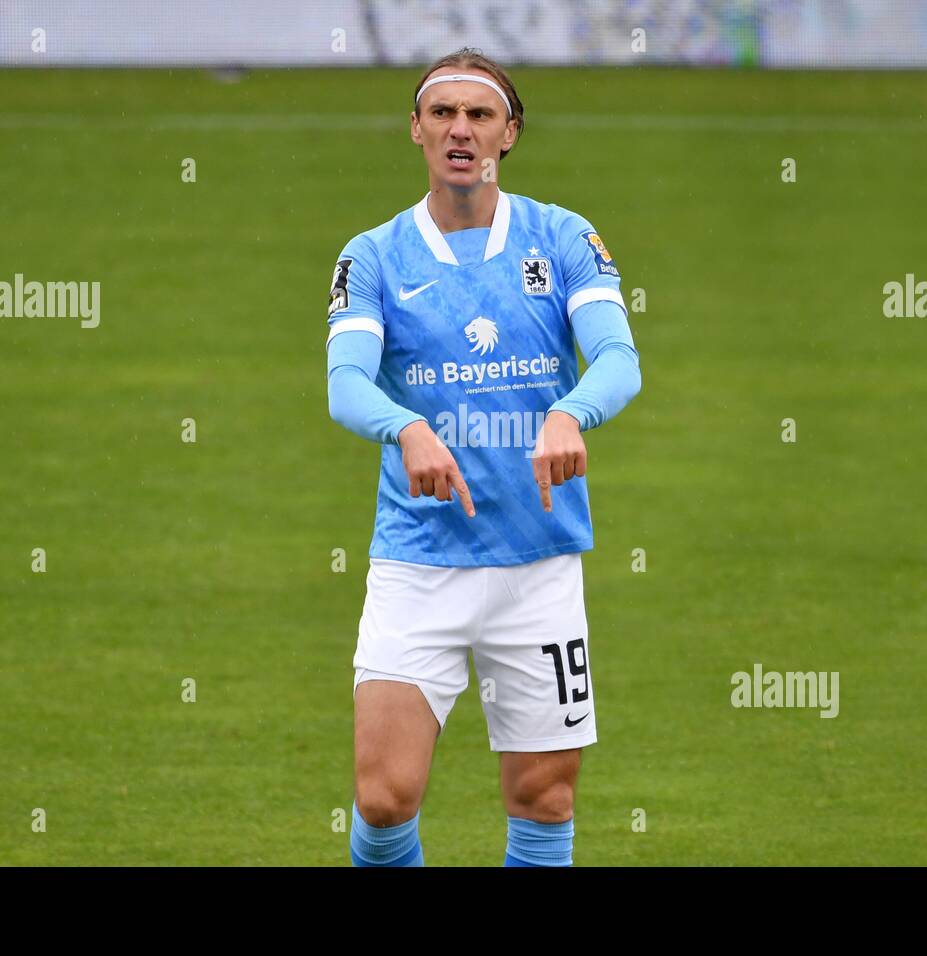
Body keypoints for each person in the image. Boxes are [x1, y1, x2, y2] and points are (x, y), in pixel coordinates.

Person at [324, 47, 641, 867]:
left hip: (537, 566)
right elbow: (347, 383)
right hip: (418, 562)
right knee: (383, 798)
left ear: (510, 133)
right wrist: (406, 427)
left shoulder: (564, 238)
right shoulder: (374, 256)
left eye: (479, 115)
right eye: (442, 113)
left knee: (545, 798)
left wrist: (573, 411)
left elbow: (617, 358)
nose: (459, 129)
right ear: (416, 130)